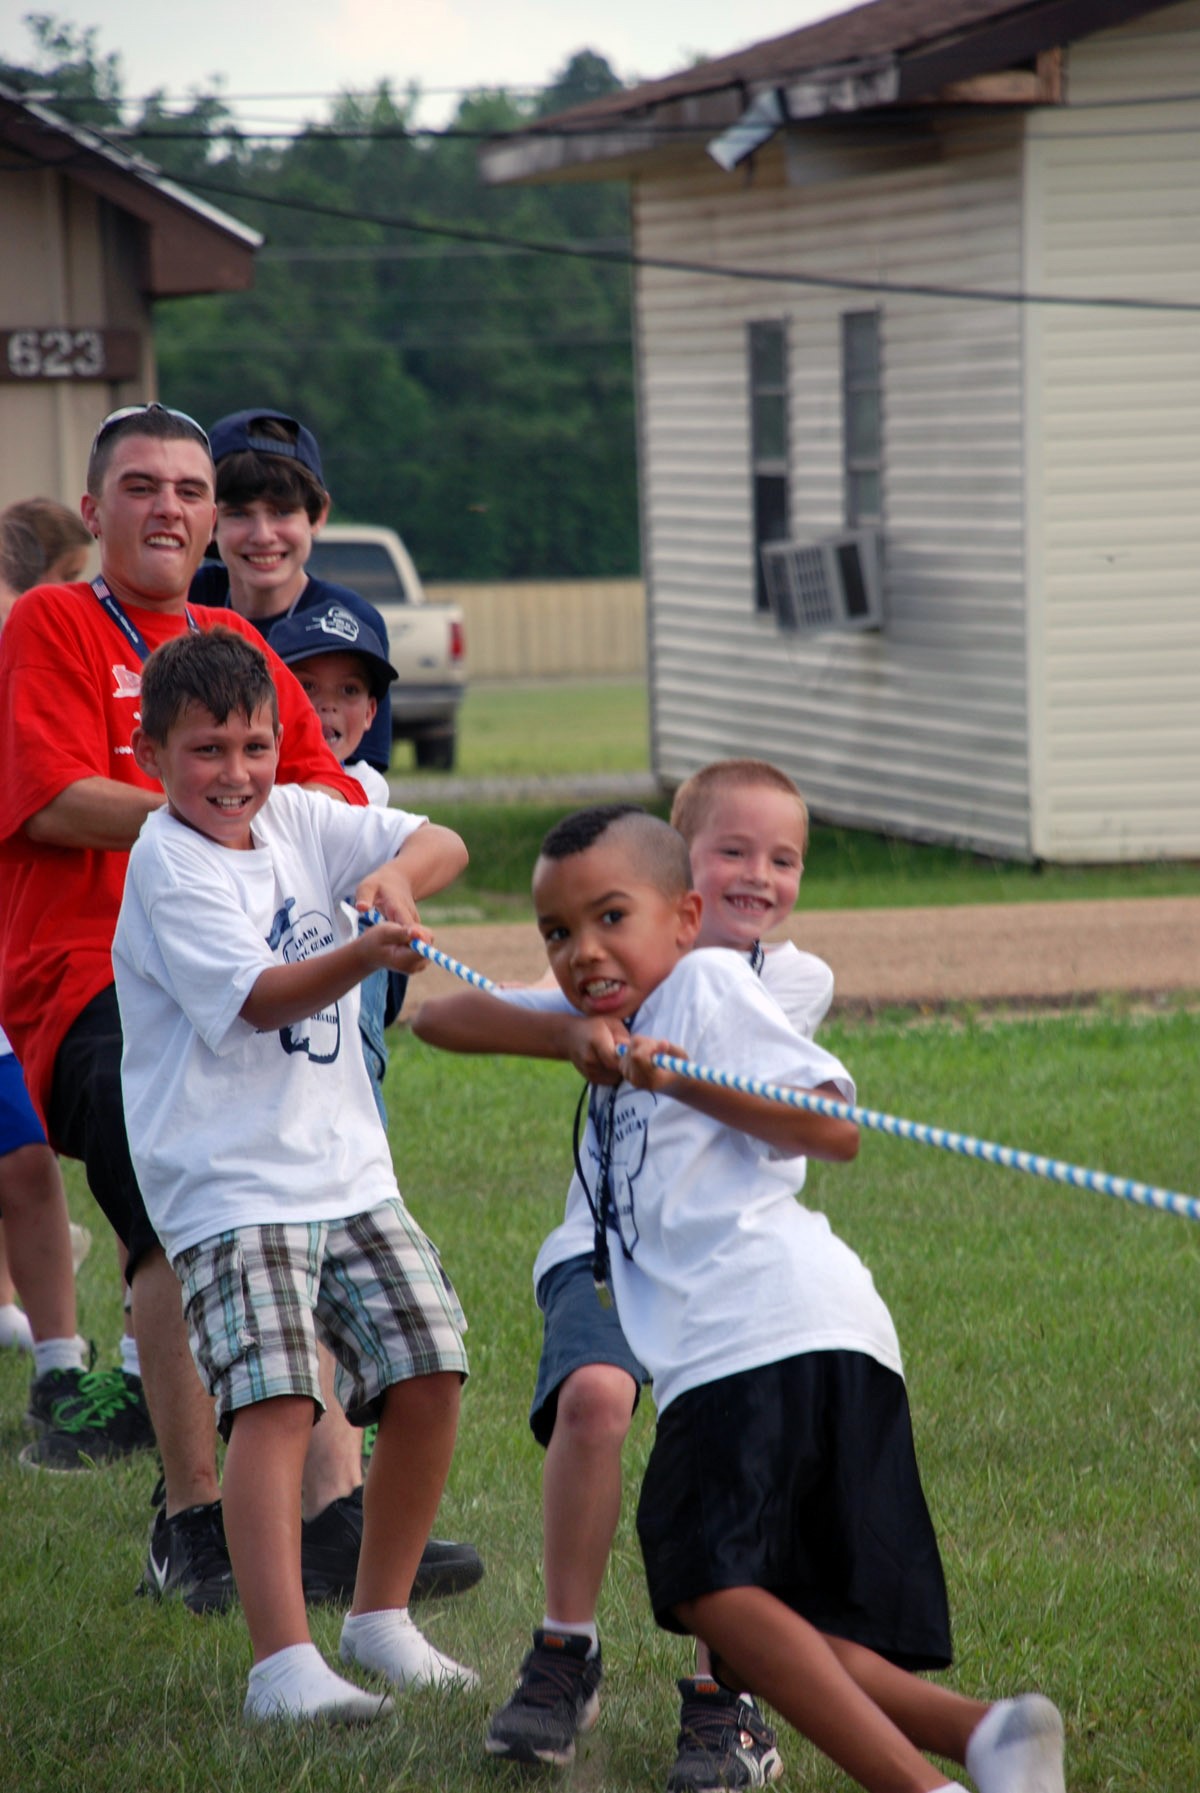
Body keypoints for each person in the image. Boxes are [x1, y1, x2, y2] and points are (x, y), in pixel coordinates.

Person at [418, 804, 1068, 1793]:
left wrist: (679, 1080)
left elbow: (834, 1125)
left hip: (757, 1333)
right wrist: (576, 1040)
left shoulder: (708, 982)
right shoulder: (619, 1001)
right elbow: (439, 1016)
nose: (582, 949)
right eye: (557, 931)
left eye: (608, 916)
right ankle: (984, 1734)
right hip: (803, 1336)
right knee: (771, 1622)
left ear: (685, 916)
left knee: (706, 1582)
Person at [0, 403, 423, 1610]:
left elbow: (333, 798)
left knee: (317, 1197)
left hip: (261, 979)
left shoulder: (235, 639)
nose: (173, 508)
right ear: (95, 511)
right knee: (175, 1218)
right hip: (93, 984)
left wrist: (374, 861)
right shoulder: (55, 623)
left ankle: (334, 1513)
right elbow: (50, 797)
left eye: (191, 488)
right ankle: (194, 1525)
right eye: (142, 486)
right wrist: (226, 819)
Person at [414, 764, 831, 1785]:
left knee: (728, 1458)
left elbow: (801, 1104)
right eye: (732, 850)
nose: (758, 876)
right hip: (603, 1253)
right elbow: (435, 1015)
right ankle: (566, 1649)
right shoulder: (604, 973)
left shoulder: (790, 980)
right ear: (677, 874)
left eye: (783, 859)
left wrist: (666, 1056)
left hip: (726, 1274)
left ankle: (726, 1698)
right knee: (595, 1400)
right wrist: (567, 1032)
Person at [113, 626, 477, 1722]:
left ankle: (378, 1617)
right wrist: (367, 952)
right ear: (151, 753)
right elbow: (263, 996)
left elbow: (444, 839)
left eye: (257, 746)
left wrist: (393, 877)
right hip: (227, 1182)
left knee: (430, 1369)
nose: (236, 774)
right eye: (208, 750)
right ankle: (283, 1662)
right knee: (276, 1399)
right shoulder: (166, 861)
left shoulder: (303, 816)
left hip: (347, 1167)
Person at [190, 407, 392, 775]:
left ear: (317, 516)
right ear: (209, 520)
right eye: (239, 513)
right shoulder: (186, 602)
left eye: (282, 512)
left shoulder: (349, 621)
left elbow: (362, 775)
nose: (263, 534)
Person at [271, 600, 405, 1123]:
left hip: (345, 1014)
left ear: (371, 713)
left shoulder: (365, 790)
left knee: (353, 1098)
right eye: (305, 688)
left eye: (349, 691)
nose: (326, 709)